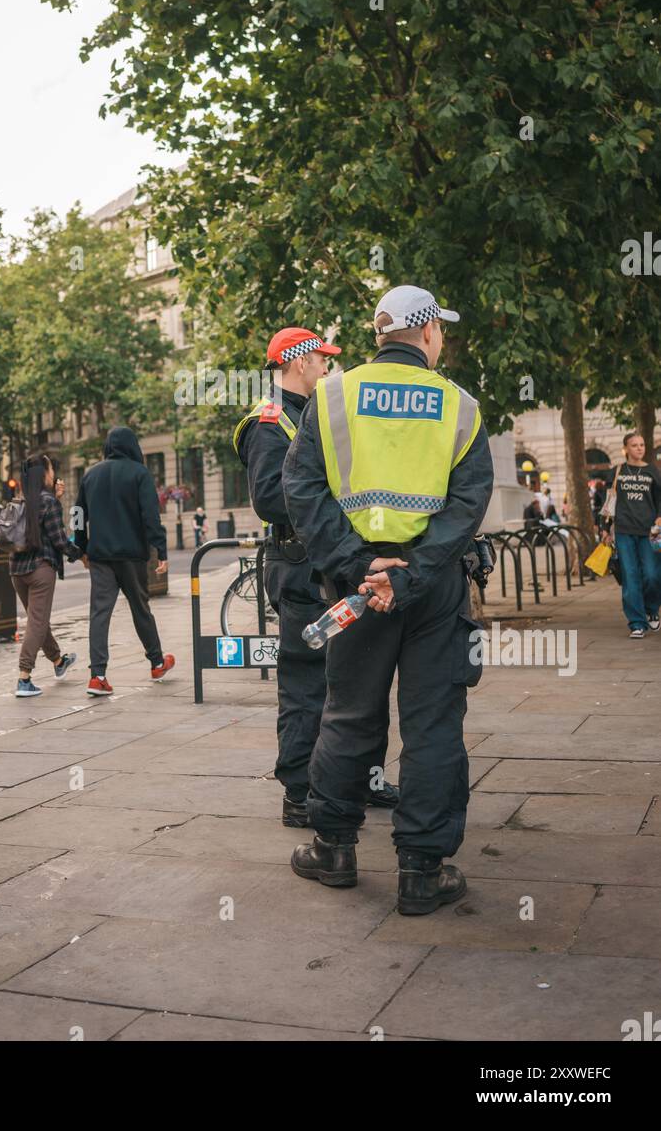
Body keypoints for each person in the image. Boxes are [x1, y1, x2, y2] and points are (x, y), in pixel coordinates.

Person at [283, 284, 494, 916]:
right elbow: (467, 503)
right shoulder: (460, 406)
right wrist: (413, 573)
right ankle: (422, 871)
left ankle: (335, 849)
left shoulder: (330, 397)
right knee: (432, 724)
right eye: (441, 331)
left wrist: (360, 565)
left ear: (381, 335)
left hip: (356, 589)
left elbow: (302, 490)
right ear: (426, 333)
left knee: (348, 715)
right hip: (432, 591)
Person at [234, 325, 399, 827]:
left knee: (356, 681)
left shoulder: (320, 414)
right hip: (301, 569)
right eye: (322, 360)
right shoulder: (271, 421)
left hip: (334, 563)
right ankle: (300, 792)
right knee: (307, 684)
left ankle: (359, 780)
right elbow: (267, 498)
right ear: (299, 361)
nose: (327, 367)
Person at [74, 426, 173, 695]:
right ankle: (156, 662)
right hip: (131, 556)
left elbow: (77, 513)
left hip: (100, 556)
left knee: (99, 613)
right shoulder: (139, 473)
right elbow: (150, 516)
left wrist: (79, 547)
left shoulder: (90, 475)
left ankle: (97, 676)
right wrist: (160, 550)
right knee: (140, 608)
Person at [9, 453, 81, 697]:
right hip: (40, 568)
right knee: (37, 622)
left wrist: (55, 498)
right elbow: (59, 540)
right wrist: (81, 555)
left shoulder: (21, 500)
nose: (54, 474)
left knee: (37, 620)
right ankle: (24, 678)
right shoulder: (48, 502)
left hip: (17, 570)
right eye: (51, 469)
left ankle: (58, 661)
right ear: (44, 475)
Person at [601, 432, 661, 639]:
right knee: (630, 576)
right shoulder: (617, 472)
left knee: (653, 575)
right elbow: (608, 502)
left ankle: (652, 609)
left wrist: (660, 517)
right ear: (626, 448)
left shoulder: (653, 471)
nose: (639, 448)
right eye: (634, 445)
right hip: (624, 531)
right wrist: (604, 528)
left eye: (642, 445)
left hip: (649, 532)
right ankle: (637, 622)